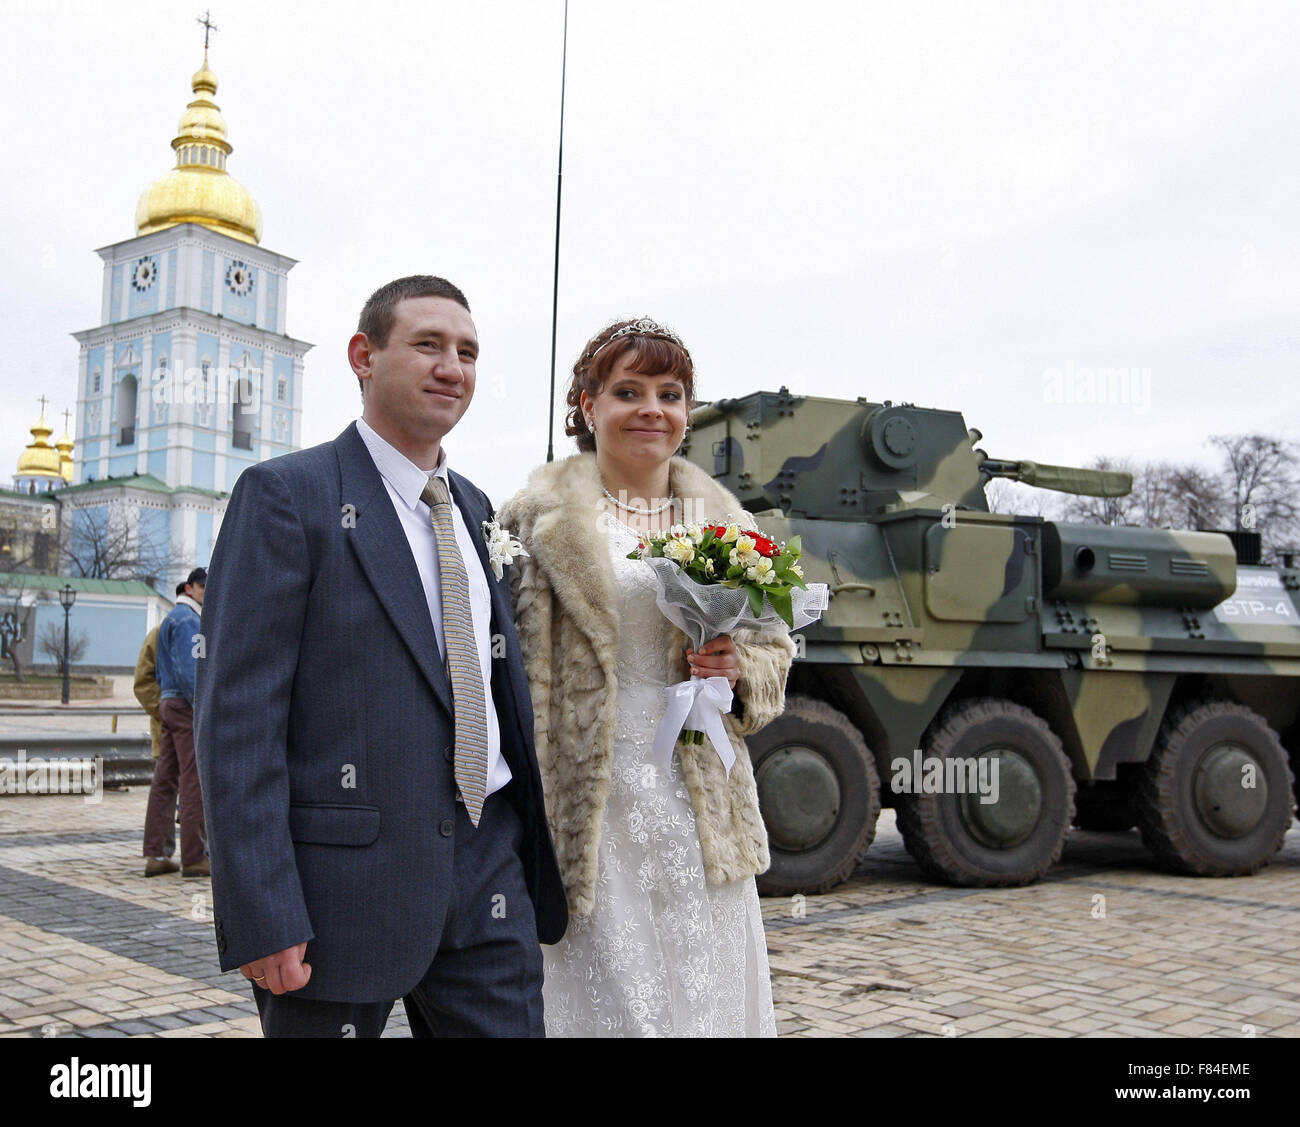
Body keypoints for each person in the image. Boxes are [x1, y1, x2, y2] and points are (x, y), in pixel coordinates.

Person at [194, 275, 566, 1038]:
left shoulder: (475, 506)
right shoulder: (286, 497)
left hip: (487, 863)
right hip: (341, 892)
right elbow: (237, 723)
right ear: (364, 355)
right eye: (427, 344)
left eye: (466, 351)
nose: (451, 367)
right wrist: (263, 910)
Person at [497, 316, 795, 1036]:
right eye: (628, 390)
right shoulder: (530, 520)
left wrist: (740, 669)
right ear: (587, 404)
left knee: (705, 983)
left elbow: (776, 647)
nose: (652, 409)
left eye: (670, 392)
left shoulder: (727, 522)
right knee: (612, 991)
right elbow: (493, 663)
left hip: (701, 795)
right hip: (586, 800)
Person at [152, 568, 208, 878]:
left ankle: (157, 854)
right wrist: (202, 708)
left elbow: (161, 669)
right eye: (202, 586)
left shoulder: (171, 617)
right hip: (185, 705)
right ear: (189, 588)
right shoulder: (189, 619)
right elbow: (191, 673)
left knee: (165, 779)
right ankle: (195, 856)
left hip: (168, 702)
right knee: (193, 780)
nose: (205, 591)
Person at [136, 593, 181, 873]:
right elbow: (143, 682)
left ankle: (193, 850)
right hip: (169, 728)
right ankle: (159, 854)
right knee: (166, 787)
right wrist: (165, 713)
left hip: (186, 725)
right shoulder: (160, 632)